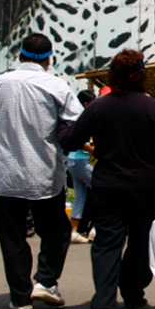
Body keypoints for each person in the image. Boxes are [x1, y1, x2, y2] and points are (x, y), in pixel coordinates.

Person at [57, 49, 155, 309]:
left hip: (107, 187)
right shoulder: (152, 109)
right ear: (141, 75)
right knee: (139, 244)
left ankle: (102, 305)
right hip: (146, 189)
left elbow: (71, 140)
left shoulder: (98, 107)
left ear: (112, 74)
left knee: (107, 245)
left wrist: (61, 126)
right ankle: (134, 293)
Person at [0, 33, 81, 309]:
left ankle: (19, 297)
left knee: (12, 236)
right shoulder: (55, 86)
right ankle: (46, 281)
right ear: (49, 58)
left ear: (20, 54)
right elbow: (76, 121)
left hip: (8, 175)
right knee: (56, 232)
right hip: (44, 174)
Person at [66, 90, 97, 244]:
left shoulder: (73, 116)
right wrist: (93, 150)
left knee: (80, 198)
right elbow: (79, 141)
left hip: (72, 161)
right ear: (86, 104)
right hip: (81, 161)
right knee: (102, 191)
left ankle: (74, 232)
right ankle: (95, 229)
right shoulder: (83, 118)